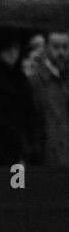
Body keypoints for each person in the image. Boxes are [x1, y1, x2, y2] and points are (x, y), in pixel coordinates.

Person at [0, 30, 36, 166]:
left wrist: (29, 141)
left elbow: (31, 110)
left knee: (21, 185)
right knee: (5, 185)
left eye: (15, 48)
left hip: (24, 146)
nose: (12, 53)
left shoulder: (21, 78)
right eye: (7, 49)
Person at [28, 30, 69, 167]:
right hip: (48, 158)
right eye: (56, 47)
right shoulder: (35, 81)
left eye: (65, 47)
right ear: (46, 48)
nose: (62, 52)